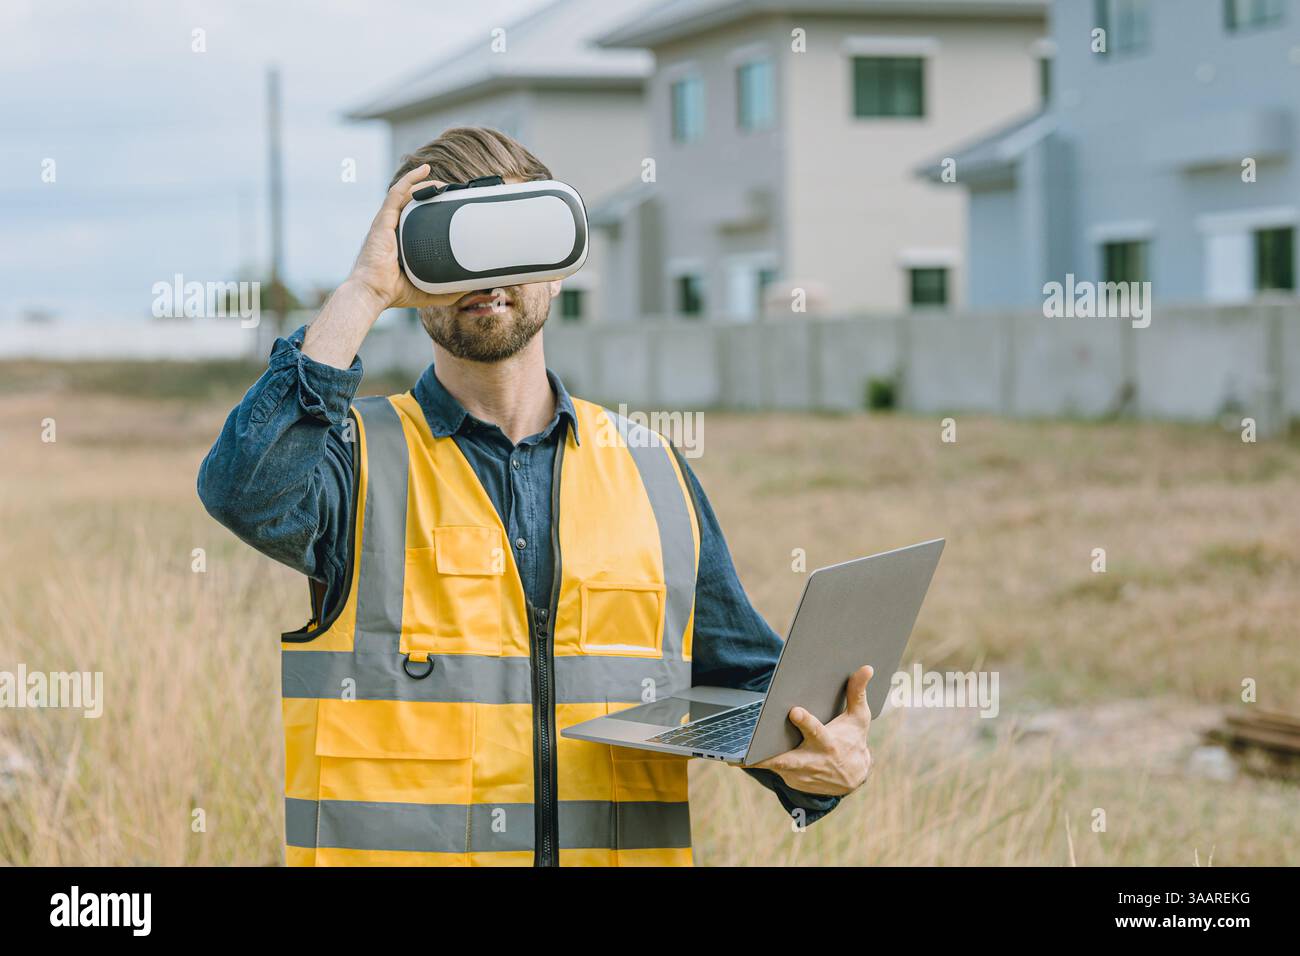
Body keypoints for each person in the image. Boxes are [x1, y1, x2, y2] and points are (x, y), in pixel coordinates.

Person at [198, 127, 874, 867]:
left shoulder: (653, 472)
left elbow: (747, 686)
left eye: (518, 240)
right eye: (456, 249)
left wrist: (821, 764)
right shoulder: (354, 463)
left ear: (560, 266)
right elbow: (244, 490)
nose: (489, 277)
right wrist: (363, 291)